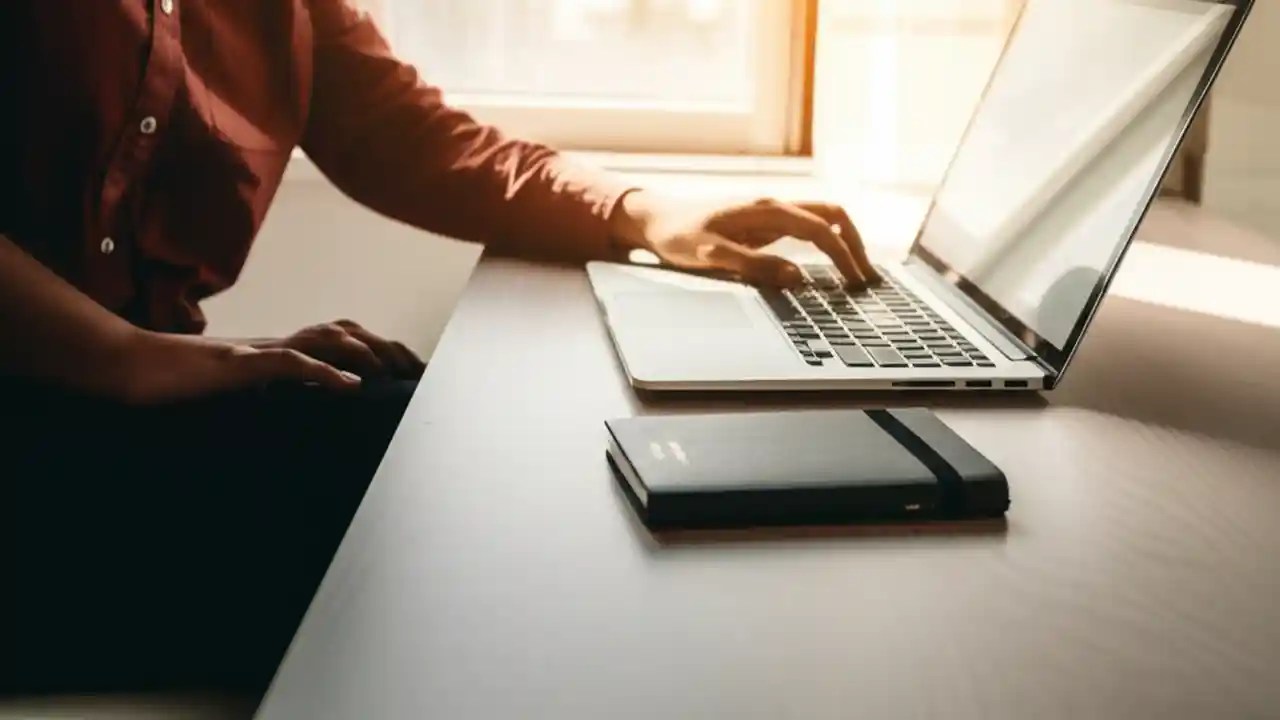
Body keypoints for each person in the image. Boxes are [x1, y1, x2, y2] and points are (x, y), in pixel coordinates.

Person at [0, 0, 878, 694]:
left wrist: (639, 213)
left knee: (436, 424)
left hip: (126, 414)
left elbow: (402, 135)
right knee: (443, 499)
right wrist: (127, 355)